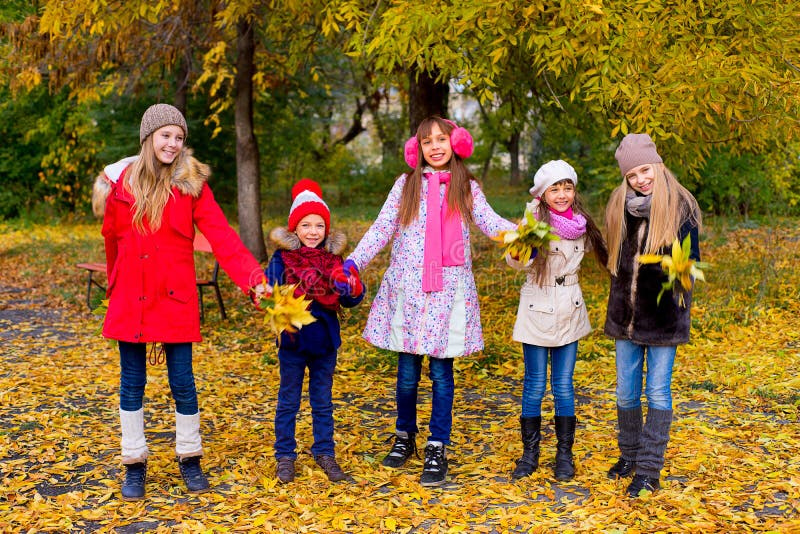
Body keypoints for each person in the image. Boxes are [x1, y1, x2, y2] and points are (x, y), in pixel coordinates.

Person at [97, 103, 268, 500]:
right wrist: (113, 283)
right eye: (165, 135)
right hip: (132, 298)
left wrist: (253, 279)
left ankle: (189, 457)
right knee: (131, 384)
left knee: (183, 383)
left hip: (175, 298)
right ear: (148, 138)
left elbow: (222, 236)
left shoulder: (191, 186)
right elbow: (112, 240)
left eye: (179, 137)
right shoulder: (120, 187)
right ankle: (134, 463)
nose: (173, 143)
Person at [344, 116, 517, 486]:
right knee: (407, 374)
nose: (435, 146)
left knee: (441, 373)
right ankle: (405, 435)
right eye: (427, 142)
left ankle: (438, 444)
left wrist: (521, 235)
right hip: (409, 291)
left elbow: (489, 221)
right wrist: (354, 262)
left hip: (448, 292)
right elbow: (382, 227)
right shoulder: (404, 185)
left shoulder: (465, 185)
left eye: (442, 139)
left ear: (456, 143)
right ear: (416, 149)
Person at [603, 133, 702, 497]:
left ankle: (648, 470)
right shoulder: (620, 207)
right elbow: (614, 259)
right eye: (632, 175)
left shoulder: (681, 207)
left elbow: (691, 262)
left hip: (662, 318)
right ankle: (629, 456)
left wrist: (676, 270)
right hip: (625, 316)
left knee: (657, 391)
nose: (640, 179)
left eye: (645, 170)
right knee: (627, 392)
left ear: (657, 165)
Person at [506, 160, 608, 482]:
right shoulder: (534, 221)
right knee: (534, 384)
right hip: (538, 305)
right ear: (543, 193)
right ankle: (530, 453)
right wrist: (527, 247)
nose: (562, 194)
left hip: (570, 307)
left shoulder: (581, 224)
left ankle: (564, 454)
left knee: (564, 385)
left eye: (567, 187)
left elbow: (605, 252)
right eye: (555, 188)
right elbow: (515, 261)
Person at [265, 179, 364, 484]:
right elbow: (269, 290)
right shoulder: (282, 259)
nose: (312, 231)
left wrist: (351, 288)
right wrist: (267, 296)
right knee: (289, 400)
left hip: (324, 342)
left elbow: (350, 298)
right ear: (294, 229)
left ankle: (324, 451)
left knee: (322, 401)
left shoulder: (335, 261)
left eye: (319, 225)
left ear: (326, 229)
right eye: (305, 225)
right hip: (293, 341)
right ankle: (285, 455)